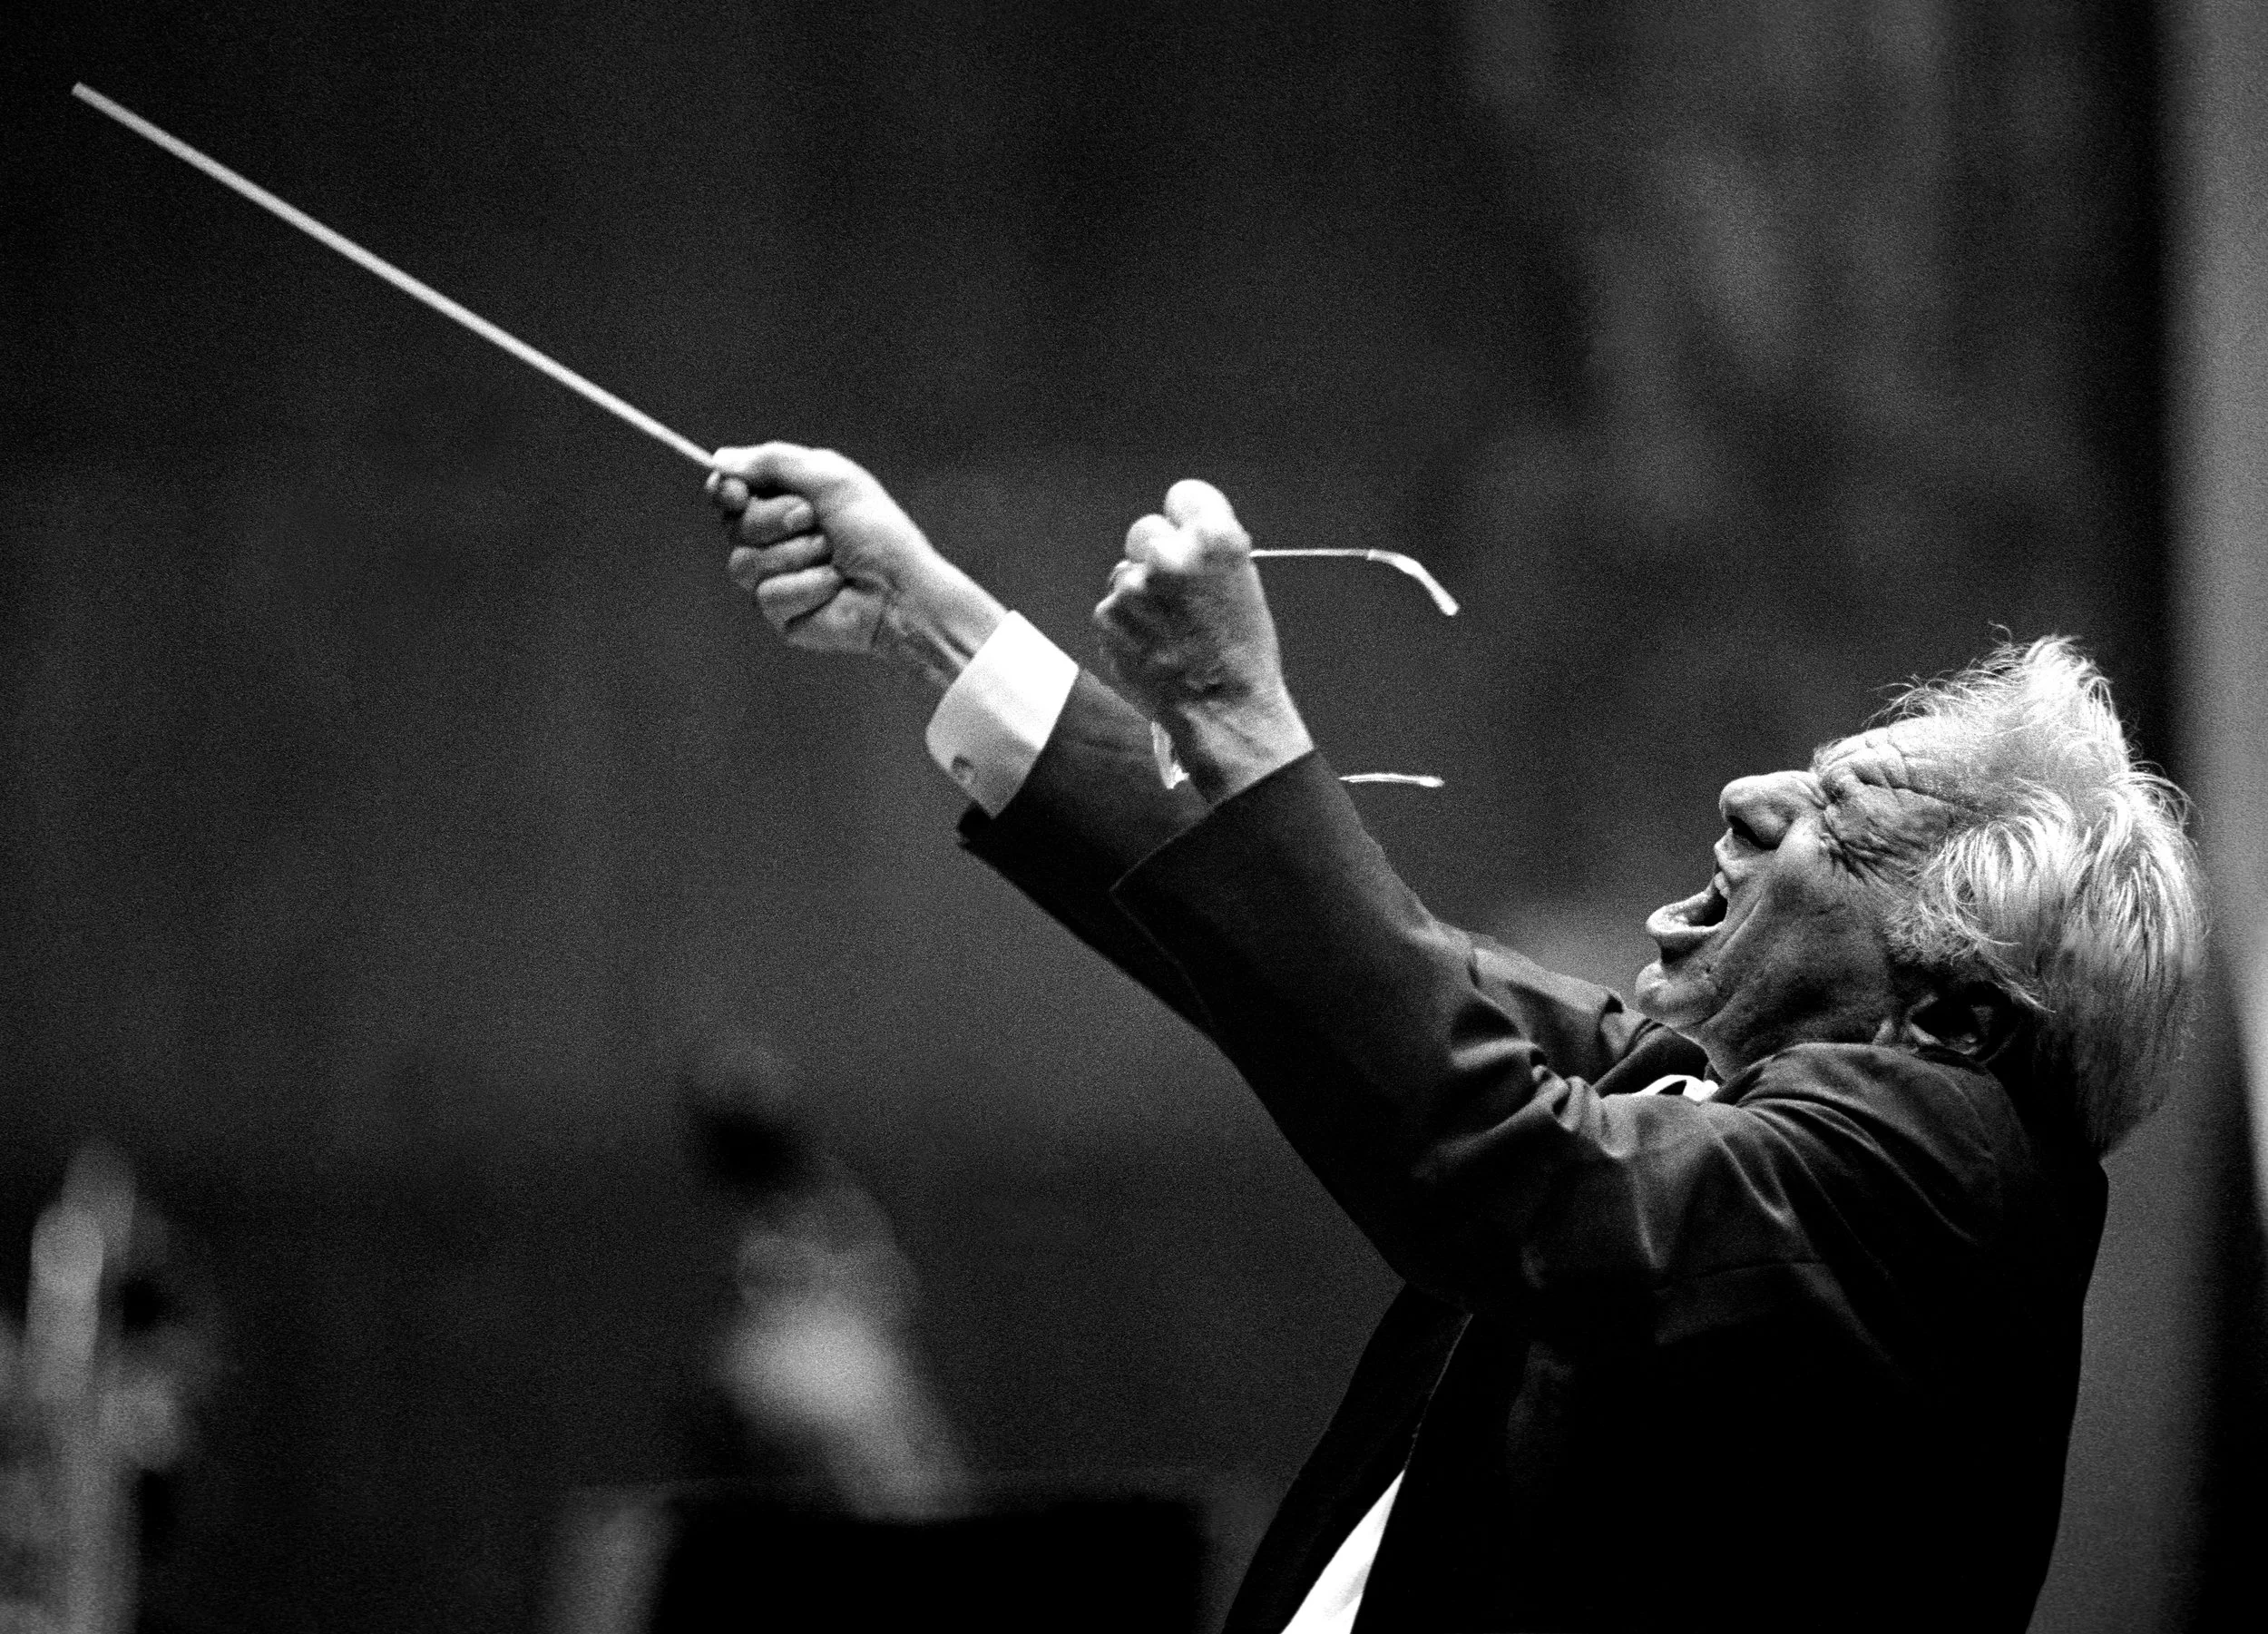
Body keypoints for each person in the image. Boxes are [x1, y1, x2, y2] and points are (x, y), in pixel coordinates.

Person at [701, 443, 2205, 1632]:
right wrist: (930, 614)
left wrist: (1239, 709)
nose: (1753, 795)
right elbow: (1336, 974)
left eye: (1844, 813)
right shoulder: (1732, 1136)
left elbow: (1500, 1157)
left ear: (1947, 999)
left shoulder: (1949, 1169)